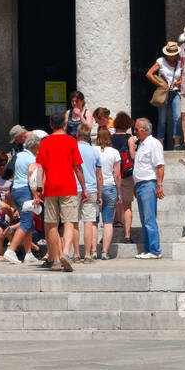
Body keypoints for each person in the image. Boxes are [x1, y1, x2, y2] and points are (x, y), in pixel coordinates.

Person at [35, 112, 86, 272]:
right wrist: (84, 188)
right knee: (69, 222)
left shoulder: (45, 142)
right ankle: (65, 252)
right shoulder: (71, 141)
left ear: (50, 125)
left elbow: (40, 168)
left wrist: (38, 189)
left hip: (50, 188)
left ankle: (56, 260)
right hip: (68, 187)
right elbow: (77, 168)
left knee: (51, 224)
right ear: (65, 124)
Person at [2, 133, 44, 266]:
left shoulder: (18, 155)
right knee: (26, 223)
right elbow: (32, 178)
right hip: (25, 191)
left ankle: (28, 253)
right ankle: (11, 250)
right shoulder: (32, 159)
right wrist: (37, 195)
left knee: (29, 223)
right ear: (36, 146)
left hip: (15, 190)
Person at [133, 118, 165, 260]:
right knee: (144, 218)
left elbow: (160, 166)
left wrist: (159, 185)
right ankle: (148, 249)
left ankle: (155, 250)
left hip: (148, 184)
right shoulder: (141, 144)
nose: (134, 132)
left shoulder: (153, 144)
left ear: (145, 130)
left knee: (149, 218)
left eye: (137, 129)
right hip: (140, 185)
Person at [146, 42, 182, 150]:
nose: (172, 56)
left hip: (175, 92)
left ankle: (177, 143)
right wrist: (160, 84)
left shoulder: (180, 63)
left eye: (174, 54)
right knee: (162, 119)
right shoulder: (160, 61)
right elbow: (149, 73)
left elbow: (182, 77)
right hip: (163, 93)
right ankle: (160, 144)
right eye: (170, 54)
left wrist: (177, 83)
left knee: (178, 117)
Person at [74, 123, 102, 260]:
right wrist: (100, 194)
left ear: (77, 135)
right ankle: (87, 254)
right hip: (91, 189)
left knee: (73, 222)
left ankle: (75, 254)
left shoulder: (72, 149)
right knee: (88, 222)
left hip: (74, 188)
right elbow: (99, 176)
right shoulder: (94, 151)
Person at [95, 126, 122, 260]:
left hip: (95, 188)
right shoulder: (115, 152)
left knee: (92, 222)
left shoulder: (93, 151)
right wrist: (119, 192)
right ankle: (105, 252)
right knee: (108, 222)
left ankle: (93, 251)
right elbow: (117, 175)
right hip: (110, 186)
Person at [111, 111, 136, 242]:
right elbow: (132, 156)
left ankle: (107, 236)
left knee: (111, 206)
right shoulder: (129, 138)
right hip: (126, 175)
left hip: (113, 175)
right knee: (127, 206)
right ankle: (127, 235)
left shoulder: (111, 137)